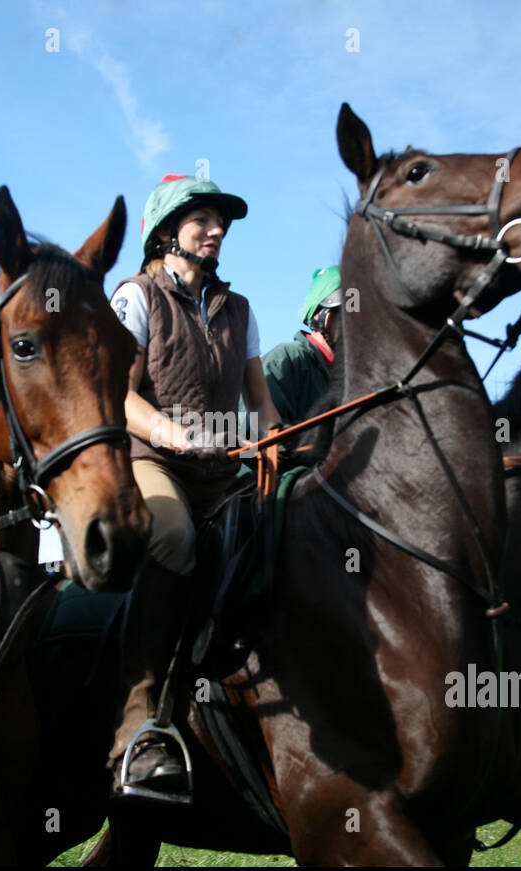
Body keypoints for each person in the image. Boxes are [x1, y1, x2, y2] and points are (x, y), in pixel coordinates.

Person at [108, 175, 281, 798]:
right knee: (176, 538)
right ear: (166, 232)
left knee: (286, 531)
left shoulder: (241, 309)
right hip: (150, 460)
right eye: (201, 219)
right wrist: (167, 432)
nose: (215, 231)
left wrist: (270, 437)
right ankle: (140, 721)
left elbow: (260, 400)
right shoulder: (135, 296)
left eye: (220, 222)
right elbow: (116, 394)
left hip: (222, 470)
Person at [260, 266, 343, 426]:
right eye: (345, 313)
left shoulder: (356, 376)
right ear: (320, 315)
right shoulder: (286, 359)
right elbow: (256, 435)